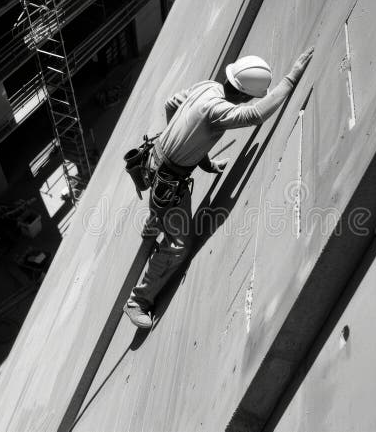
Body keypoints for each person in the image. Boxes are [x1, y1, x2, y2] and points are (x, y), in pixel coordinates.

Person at [123, 48, 315, 329]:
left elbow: (170, 104)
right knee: (178, 246)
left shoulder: (208, 87)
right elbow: (254, 115)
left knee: (167, 207)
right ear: (243, 94)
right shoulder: (218, 110)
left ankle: (155, 221)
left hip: (155, 162)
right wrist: (290, 79)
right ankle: (138, 301)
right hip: (169, 183)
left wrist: (196, 154)